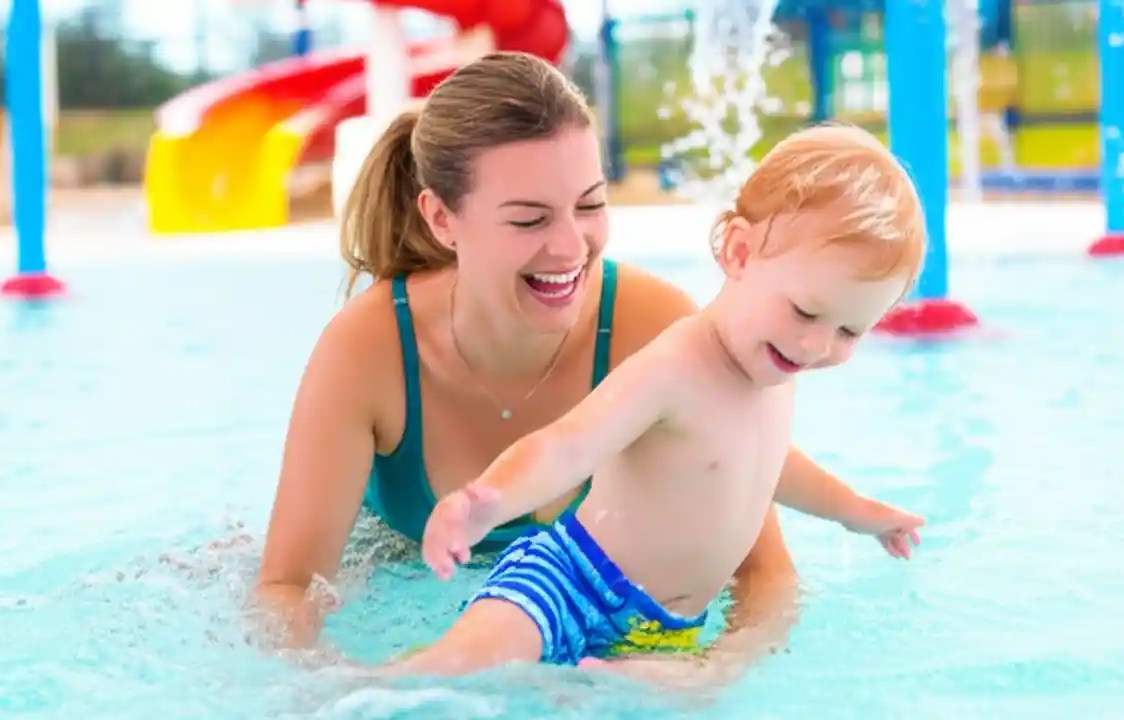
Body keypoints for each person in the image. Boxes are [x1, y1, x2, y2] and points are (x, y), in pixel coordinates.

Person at [254, 51, 855, 682]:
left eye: (590, 205)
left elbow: (766, 574)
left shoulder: (658, 333)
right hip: (390, 574)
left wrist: (710, 674)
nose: (571, 246)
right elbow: (288, 587)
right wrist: (329, 688)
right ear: (441, 218)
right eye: (529, 219)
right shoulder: (370, 348)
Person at [380, 123, 929, 679]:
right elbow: (567, 447)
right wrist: (488, 502)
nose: (816, 345)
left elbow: (775, 466)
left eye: (849, 331)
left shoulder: (776, 372)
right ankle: (344, 695)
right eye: (806, 312)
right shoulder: (676, 366)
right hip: (566, 584)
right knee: (451, 670)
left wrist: (859, 513)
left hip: (664, 630)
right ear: (739, 252)